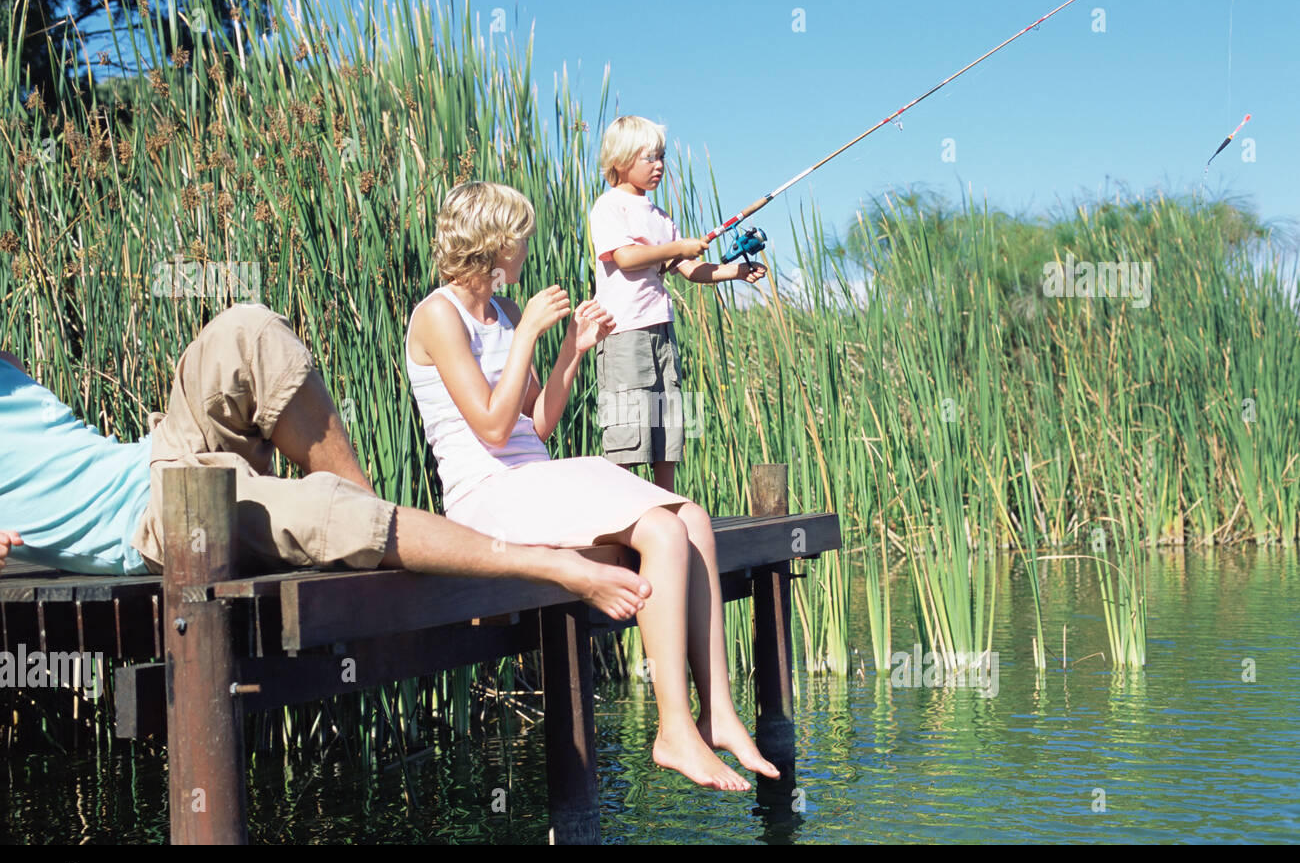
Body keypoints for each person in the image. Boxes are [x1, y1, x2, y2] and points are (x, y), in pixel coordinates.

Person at [405, 180, 778, 790]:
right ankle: (673, 731)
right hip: (486, 496)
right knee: (659, 527)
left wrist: (573, 350)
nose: (526, 249)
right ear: (494, 244)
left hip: (533, 476)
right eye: (519, 238)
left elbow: (537, 422)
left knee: (693, 520)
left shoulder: (497, 310)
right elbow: (493, 430)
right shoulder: (437, 315)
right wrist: (528, 332)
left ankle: (719, 713)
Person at [0, 309, 651, 623]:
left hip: (156, 451)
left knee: (246, 331)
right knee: (315, 510)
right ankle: (546, 562)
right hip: (158, 522)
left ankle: (371, 528)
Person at [589, 115, 766, 492]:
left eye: (662, 157)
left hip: (661, 332)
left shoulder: (661, 217)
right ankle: (621, 511)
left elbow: (690, 268)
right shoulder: (608, 207)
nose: (659, 165)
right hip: (623, 334)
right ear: (620, 161)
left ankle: (665, 503)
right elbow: (625, 257)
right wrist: (678, 246)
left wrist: (735, 272)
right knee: (627, 426)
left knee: (667, 422)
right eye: (648, 158)